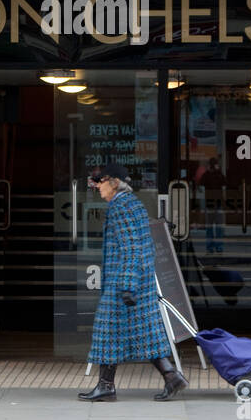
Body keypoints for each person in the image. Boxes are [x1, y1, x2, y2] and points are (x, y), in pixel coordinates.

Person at [79, 163, 188, 402]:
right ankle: (171, 377)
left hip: (124, 281)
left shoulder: (121, 207)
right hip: (138, 280)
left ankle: (106, 386)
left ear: (114, 183)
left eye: (101, 182)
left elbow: (132, 248)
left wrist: (127, 285)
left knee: (107, 331)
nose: (98, 187)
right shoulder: (132, 204)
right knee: (145, 333)